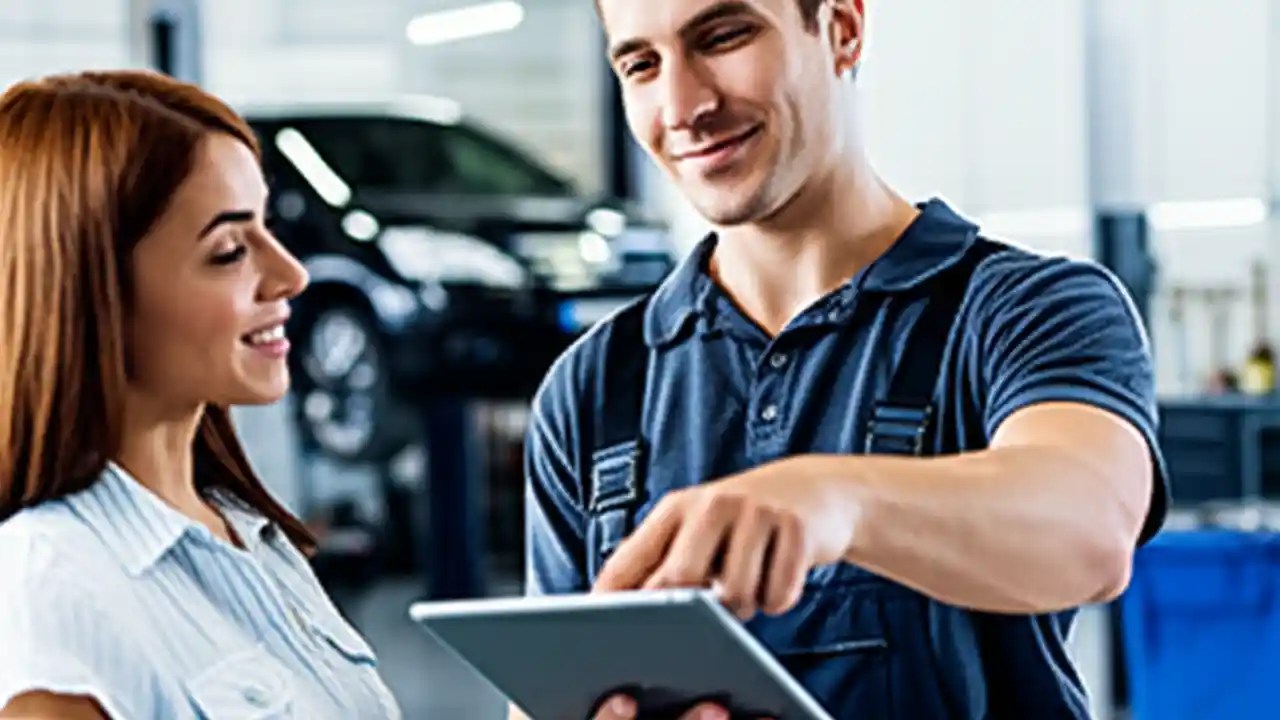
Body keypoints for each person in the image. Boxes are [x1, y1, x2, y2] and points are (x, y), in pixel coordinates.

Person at [523, 0, 1169, 718]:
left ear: (843, 27)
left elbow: (1089, 527)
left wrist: (835, 502)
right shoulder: (594, 387)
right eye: (641, 64)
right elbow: (545, 693)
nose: (684, 106)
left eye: (725, 36)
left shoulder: (1027, 309)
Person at [0, 70, 401, 719]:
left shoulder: (247, 534)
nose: (290, 274)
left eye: (266, 228)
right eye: (228, 251)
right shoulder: (51, 589)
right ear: (90, 293)